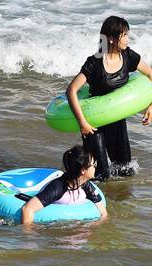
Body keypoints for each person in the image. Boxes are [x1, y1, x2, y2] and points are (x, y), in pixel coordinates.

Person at [64, 16, 152, 180]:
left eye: (127, 34)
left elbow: (150, 74)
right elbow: (71, 91)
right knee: (101, 175)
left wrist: (150, 105)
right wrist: (82, 123)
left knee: (125, 170)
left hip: (116, 119)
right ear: (111, 38)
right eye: (124, 35)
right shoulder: (95, 63)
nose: (128, 39)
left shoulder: (128, 56)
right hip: (94, 123)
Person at [20, 146, 108, 227]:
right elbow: (27, 209)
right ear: (83, 170)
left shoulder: (86, 185)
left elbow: (104, 213)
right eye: (94, 165)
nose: (96, 167)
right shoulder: (58, 187)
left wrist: (93, 226)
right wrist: (30, 237)